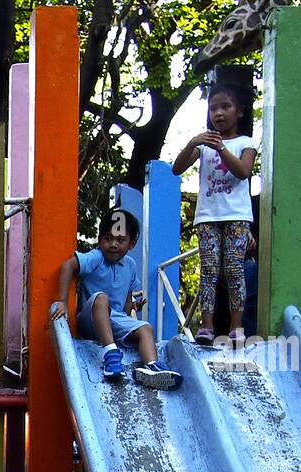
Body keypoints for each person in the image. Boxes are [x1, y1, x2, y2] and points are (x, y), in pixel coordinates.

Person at [52, 208, 183, 390]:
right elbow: (68, 266)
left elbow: (126, 301)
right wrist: (63, 301)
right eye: (108, 239)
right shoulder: (96, 257)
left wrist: (134, 307)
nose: (113, 244)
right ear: (100, 240)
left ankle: (152, 367)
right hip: (89, 320)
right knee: (101, 298)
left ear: (132, 243)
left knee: (145, 328)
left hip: (114, 319)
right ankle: (111, 354)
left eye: (120, 240)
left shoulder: (130, 265)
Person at [173, 83, 258, 346]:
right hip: (208, 217)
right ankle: (207, 327)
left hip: (237, 216)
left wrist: (221, 148)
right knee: (209, 270)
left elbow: (243, 171)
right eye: (213, 109)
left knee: (234, 270)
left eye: (225, 107)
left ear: (239, 111)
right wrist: (192, 143)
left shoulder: (246, 143)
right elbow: (177, 169)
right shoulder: (204, 145)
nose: (218, 113)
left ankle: (236, 327)